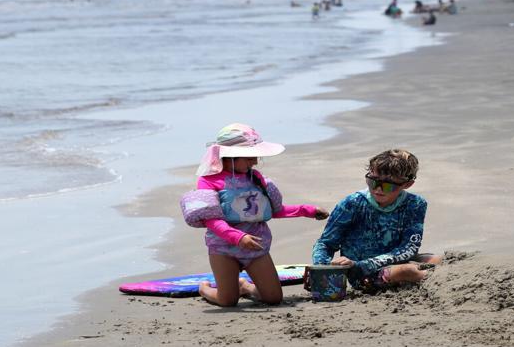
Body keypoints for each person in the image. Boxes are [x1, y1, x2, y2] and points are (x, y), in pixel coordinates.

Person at [179, 123, 327, 307]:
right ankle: (205, 288)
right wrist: (239, 237)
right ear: (230, 155)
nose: (255, 162)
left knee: (273, 298)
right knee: (227, 301)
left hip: (256, 245)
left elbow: (275, 210)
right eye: (250, 157)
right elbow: (212, 220)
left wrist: (308, 211)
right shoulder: (208, 181)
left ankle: (245, 287)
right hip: (223, 248)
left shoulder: (256, 178)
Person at [310, 150, 432, 293]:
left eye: (387, 185)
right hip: (362, 275)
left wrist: (364, 264)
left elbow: (410, 247)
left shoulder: (415, 204)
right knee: (406, 271)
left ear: (407, 184)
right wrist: (323, 270)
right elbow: (326, 243)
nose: (378, 189)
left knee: (436, 260)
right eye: (373, 181)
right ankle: (427, 278)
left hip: (387, 262)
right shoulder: (352, 203)